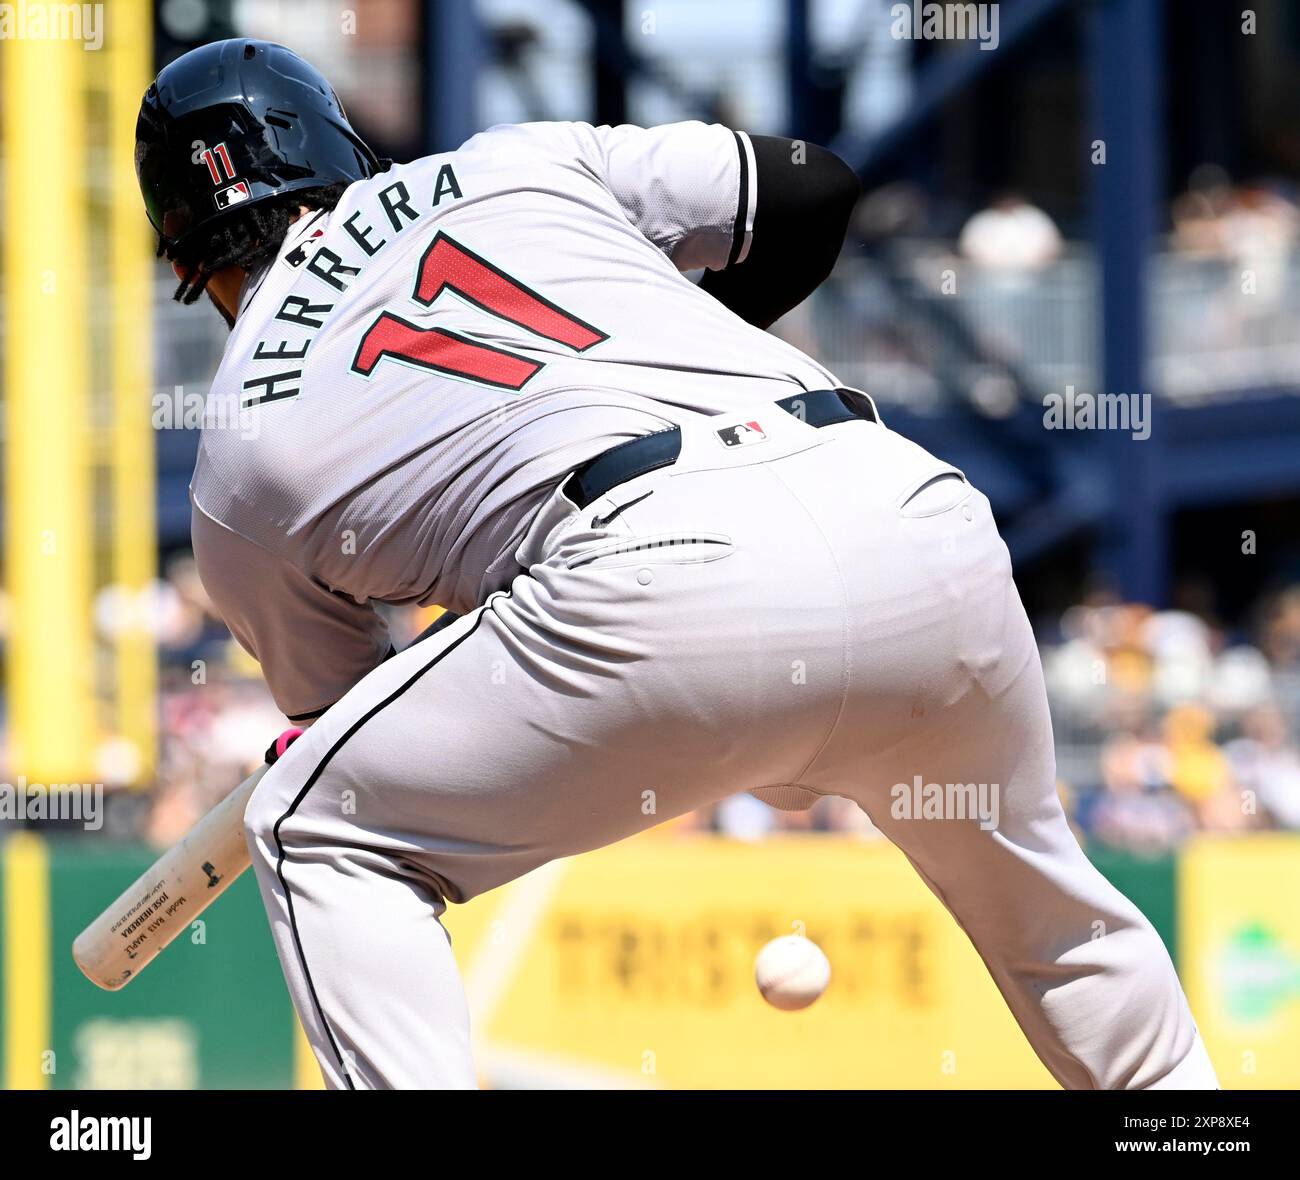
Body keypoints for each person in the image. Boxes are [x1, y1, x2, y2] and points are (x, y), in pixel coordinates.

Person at [136, 39, 1217, 1090]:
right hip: (903, 511)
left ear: (193, 266)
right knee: (1062, 931)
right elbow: (810, 187)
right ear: (341, 153)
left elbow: (348, 717)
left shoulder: (236, 457)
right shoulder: (512, 159)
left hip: (656, 587)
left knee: (312, 826)